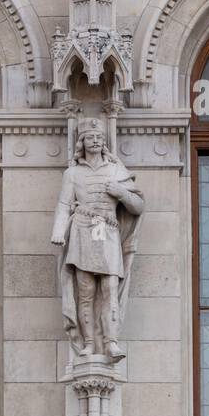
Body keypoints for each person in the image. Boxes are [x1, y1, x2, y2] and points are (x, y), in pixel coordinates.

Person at [50, 117, 144, 362]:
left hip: (108, 232)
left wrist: (121, 192)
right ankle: (89, 343)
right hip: (82, 230)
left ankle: (111, 342)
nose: (95, 141)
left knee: (110, 288)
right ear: (82, 141)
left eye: (99, 137)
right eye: (90, 137)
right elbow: (63, 204)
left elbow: (137, 206)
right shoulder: (72, 173)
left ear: (104, 142)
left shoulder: (116, 170)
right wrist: (58, 231)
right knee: (86, 291)